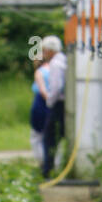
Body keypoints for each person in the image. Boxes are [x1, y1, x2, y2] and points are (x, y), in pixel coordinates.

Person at [41, 35, 66, 179]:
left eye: (44, 50)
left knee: (50, 137)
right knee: (60, 135)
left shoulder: (56, 64)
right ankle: (57, 167)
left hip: (58, 105)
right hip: (63, 104)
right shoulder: (63, 60)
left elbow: (56, 87)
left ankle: (48, 170)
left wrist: (49, 102)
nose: (44, 54)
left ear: (50, 50)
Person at [30, 55, 50, 165]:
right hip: (54, 102)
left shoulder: (39, 72)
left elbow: (42, 91)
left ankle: (42, 161)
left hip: (41, 103)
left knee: (36, 135)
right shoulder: (55, 69)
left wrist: (49, 101)